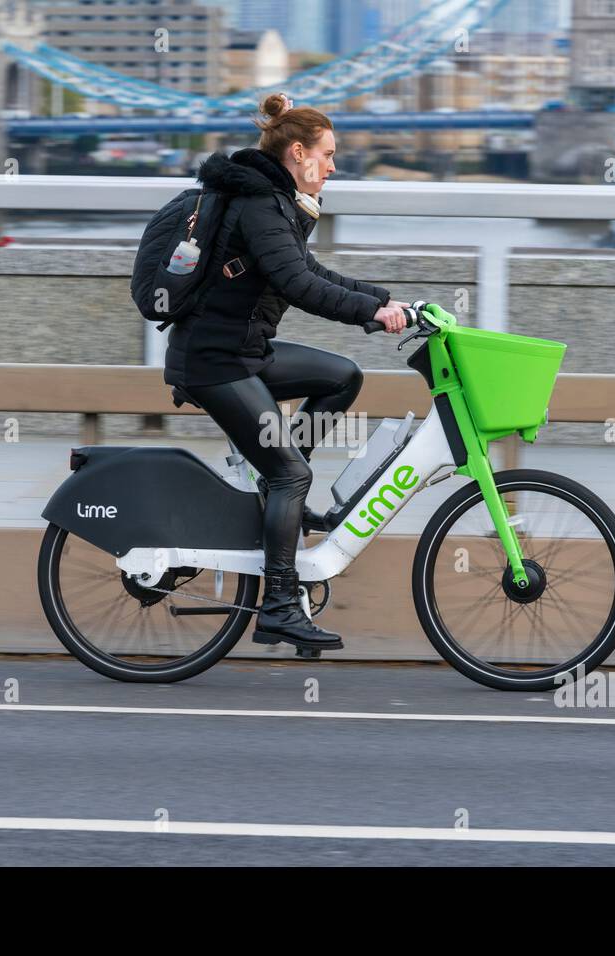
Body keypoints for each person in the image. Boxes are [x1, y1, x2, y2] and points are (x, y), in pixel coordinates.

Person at [162, 92, 410, 652]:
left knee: (342, 377)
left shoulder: (274, 200)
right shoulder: (261, 205)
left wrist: (385, 299)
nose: (333, 165)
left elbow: (306, 270)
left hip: (245, 352)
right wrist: (372, 313)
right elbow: (300, 287)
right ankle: (277, 605)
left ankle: (281, 500)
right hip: (215, 362)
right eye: (327, 153)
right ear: (297, 152)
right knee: (290, 475)